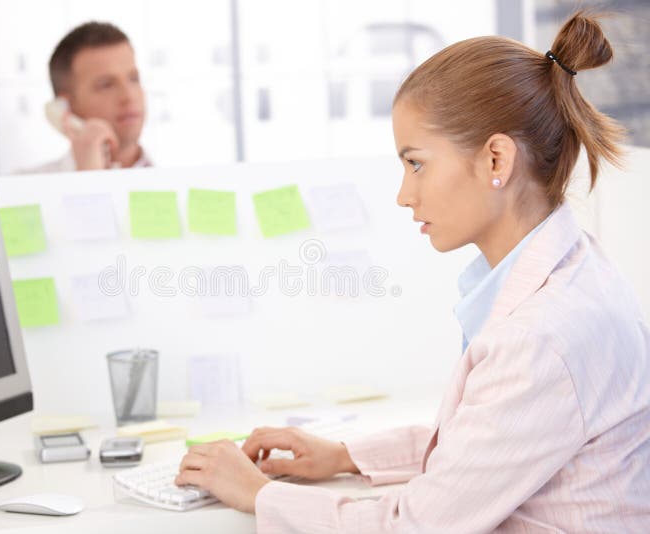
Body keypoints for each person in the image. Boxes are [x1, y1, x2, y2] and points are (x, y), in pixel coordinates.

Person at [175, 11, 650, 532]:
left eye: (416, 164)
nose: (405, 196)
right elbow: (483, 444)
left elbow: (417, 525)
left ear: (496, 160)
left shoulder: (543, 336)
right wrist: (344, 455)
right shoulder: (575, 270)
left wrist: (260, 495)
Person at [27, 22, 151, 174]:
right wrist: (88, 177)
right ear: (66, 107)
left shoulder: (180, 185)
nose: (129, 96)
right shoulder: (22, 188)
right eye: (106, 85)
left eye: (134, 79)